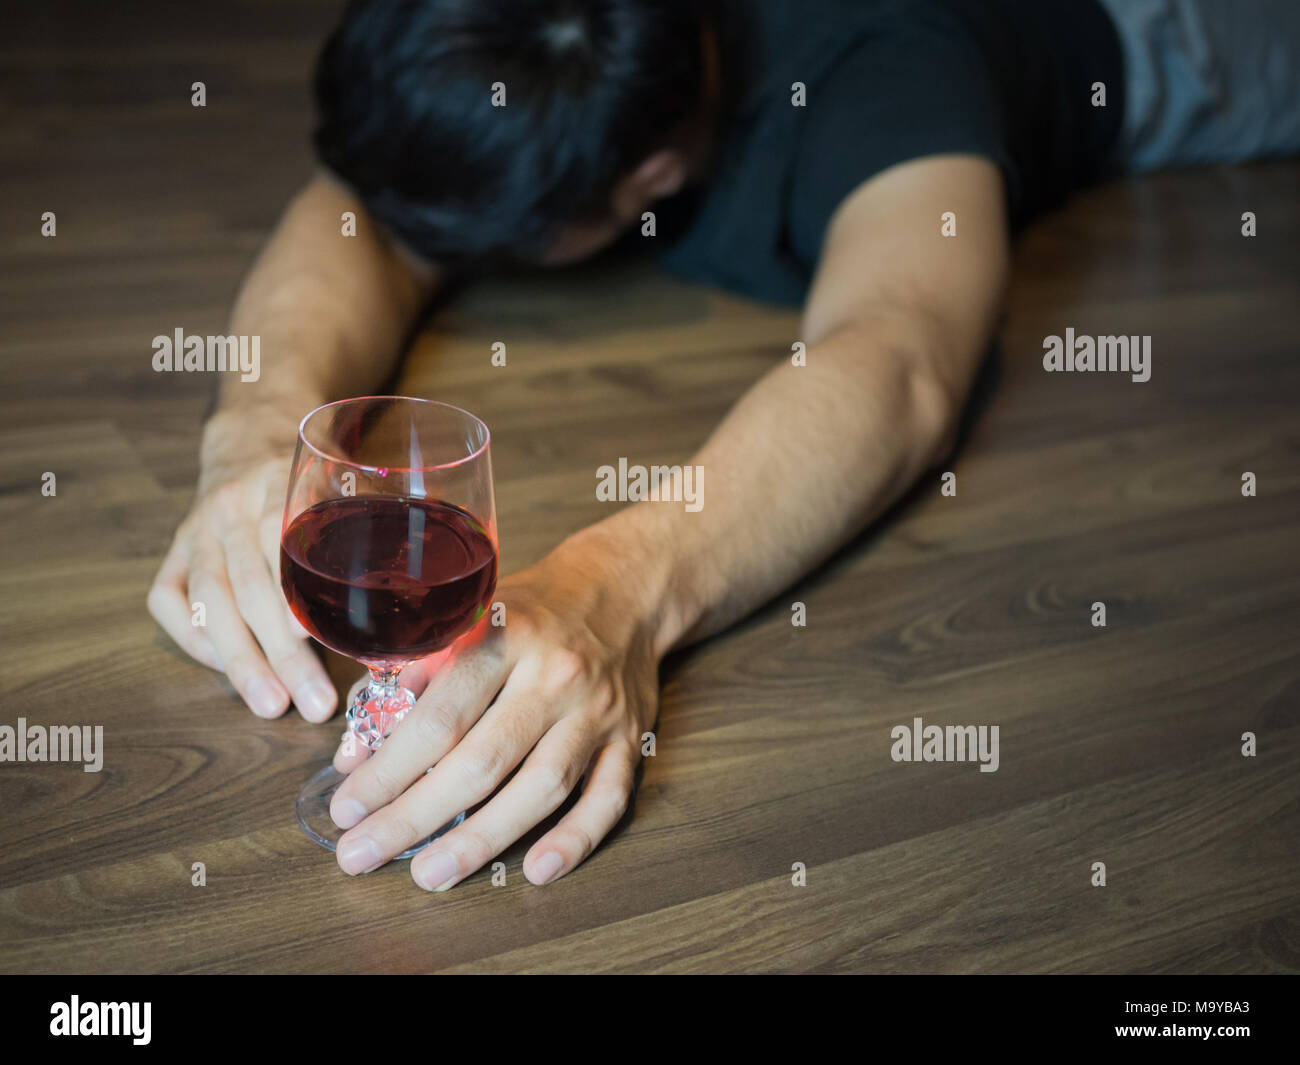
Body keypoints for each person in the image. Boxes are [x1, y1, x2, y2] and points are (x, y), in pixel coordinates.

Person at [147, 0, 1300, 890]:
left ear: (648, 177)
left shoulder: (890, 74)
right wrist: (253, 433)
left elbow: (897, 355)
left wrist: (613, 592)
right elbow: (370, 212)